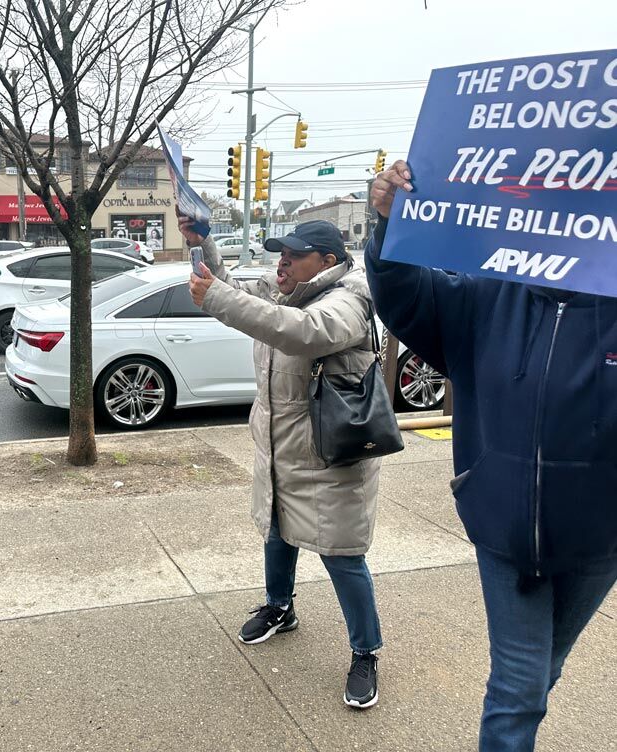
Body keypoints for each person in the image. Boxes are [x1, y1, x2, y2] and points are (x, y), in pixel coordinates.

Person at [366, 160, 617, 751]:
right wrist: (390, 225)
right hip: (506, 532)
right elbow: (406, 295)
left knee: (540, 672)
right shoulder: (485, 296)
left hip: (598, 541)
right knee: (519, 687)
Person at [184, 216, 385, 709]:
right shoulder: (284, 290)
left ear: (328, 261)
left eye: (295, 255)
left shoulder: (349, 300)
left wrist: (217, 297)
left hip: (331, 455)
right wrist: (204, 243)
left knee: (342, 554)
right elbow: (232, 290)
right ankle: (280, 608)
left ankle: (365, 651)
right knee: (276, 533)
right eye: (281, 253)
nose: (283, 262)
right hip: (280, 447)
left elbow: (305, 333)